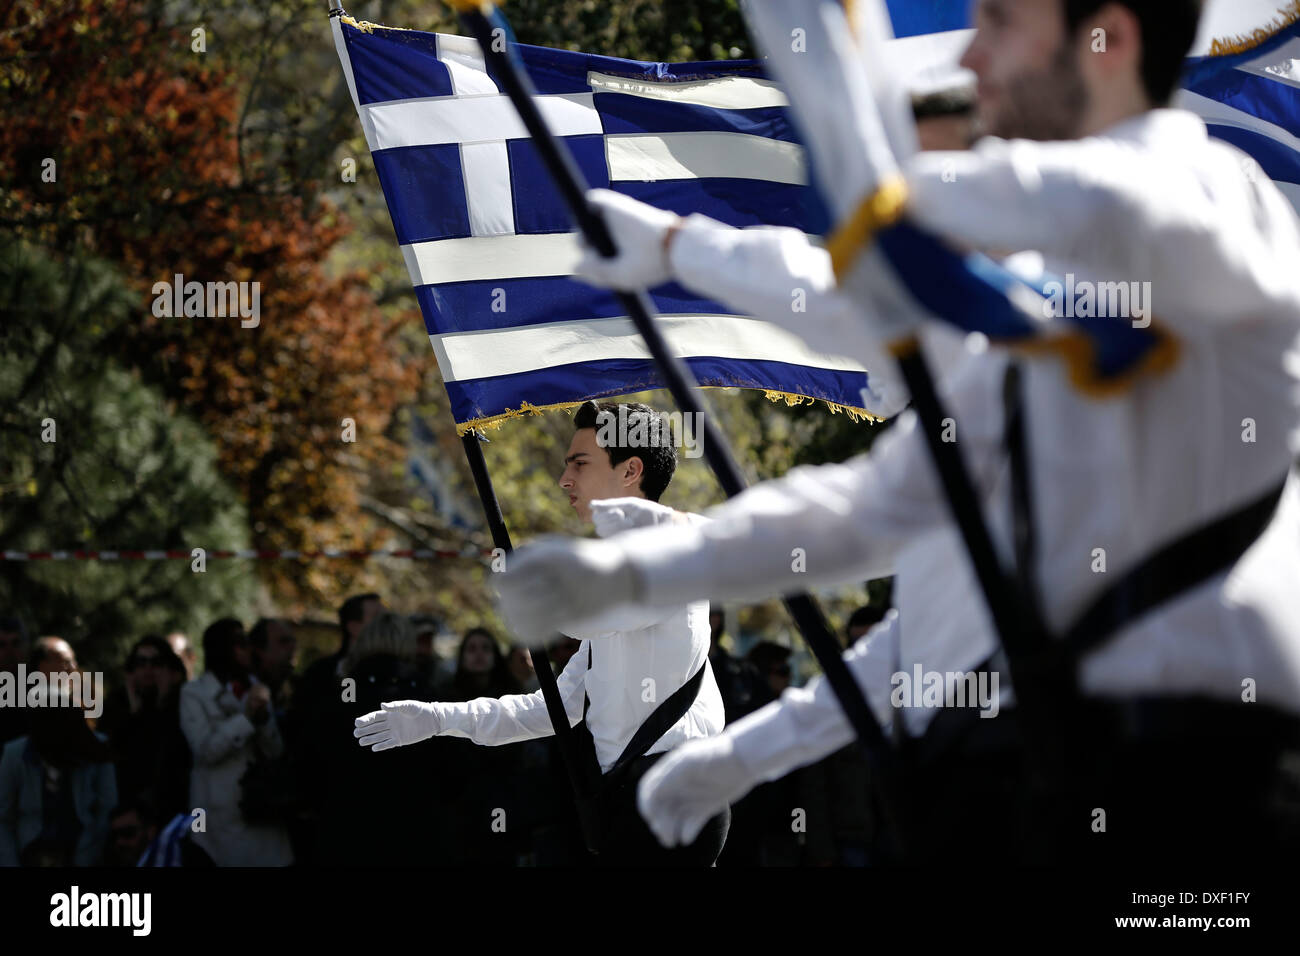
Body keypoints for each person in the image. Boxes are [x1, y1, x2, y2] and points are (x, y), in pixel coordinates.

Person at [497, 0, 1300, 865]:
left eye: (1000, 21)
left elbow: (933, 263)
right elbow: (874, 506)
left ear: (1115, 35)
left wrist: (839, 140)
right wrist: (632, 572)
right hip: (1033, 779)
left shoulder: (1212, 205)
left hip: (1203, 786)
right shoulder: (1033, 313)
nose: (971, 56)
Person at [356, 401, 729, 866]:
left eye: (580, 463)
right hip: (634, 805)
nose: (564, 480)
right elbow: (547, 708)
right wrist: (437, 719)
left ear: (631, 470)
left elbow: (584, 612)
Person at [178, 618, 293, 866]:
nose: (249, 649)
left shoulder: (256, 688)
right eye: (240, 643)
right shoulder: (194, 693)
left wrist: (263, 721)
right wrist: (246, 719)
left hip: (262, 815)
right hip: (219, 821)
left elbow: (276, 751)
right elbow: (204, 751)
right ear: (222, 648)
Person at [0, 688, 117, 866]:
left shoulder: (96, 749)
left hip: (83, 852)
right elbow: (3, 819)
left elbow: (107, 809)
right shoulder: (15, 755)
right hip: (29, 853)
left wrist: (88, 858)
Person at [100, 635, 191, 820]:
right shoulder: (118, 702)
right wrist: (134, 708)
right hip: (126, 800)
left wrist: (163, 701)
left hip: (172, 803)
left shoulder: (183, 701)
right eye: (141, 662)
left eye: (156, 662)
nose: (148, 669)